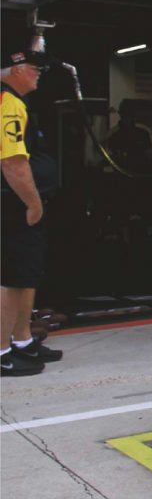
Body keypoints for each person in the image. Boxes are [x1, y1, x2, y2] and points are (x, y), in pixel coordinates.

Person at [1, 47, 62, 376]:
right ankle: (1, 350)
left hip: (20, 202)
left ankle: (21, 341)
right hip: (15, 203)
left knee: (25, 274)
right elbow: (12, 162)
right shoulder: (8, 103)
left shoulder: (16, 102)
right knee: (10, 278)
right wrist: (33, 202)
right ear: (13, 70)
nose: (38, 72)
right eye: (33, 67)